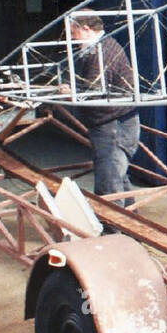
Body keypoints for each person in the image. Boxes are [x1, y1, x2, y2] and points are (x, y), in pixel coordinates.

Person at [65, 14, 140, 207]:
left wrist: (71, 91)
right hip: (110, 121)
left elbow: (95, 88)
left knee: (109, 179)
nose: (72, 38)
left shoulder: (103, 50)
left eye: (74, 33)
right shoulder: (93, 49)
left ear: (86, 29)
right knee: (116, 176)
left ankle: (112, 230)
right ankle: (130, 224)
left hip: (115, 122)